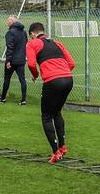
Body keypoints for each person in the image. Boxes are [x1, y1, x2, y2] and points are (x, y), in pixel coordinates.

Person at [25, 21, 75, 162]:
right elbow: (72, 63)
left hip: (53, 81)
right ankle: (63, 146)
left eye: (31, 36)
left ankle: (56, 152)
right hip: (68, 79)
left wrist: (35, 75)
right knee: (57, 112)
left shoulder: (32, 43)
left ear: (33, 34)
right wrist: (62, 73)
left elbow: (30, 63)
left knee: (46, 116)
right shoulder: (57, 43)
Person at [0, 14, 28, 105]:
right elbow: (25, 44)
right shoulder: (24, 32)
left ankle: (3, 98)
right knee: (22, 79)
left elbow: (10, 47)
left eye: (8, 20)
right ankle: (23, 100)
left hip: (12, 60)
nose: (7, 22)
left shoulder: (10, 32)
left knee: (7, 79)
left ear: (13, 22)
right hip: (21, 60)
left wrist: (8, 60)